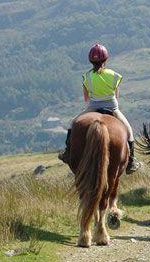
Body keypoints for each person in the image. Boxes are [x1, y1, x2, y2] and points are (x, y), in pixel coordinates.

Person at [59, 43, 141, 173]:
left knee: (72, 124)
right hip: (112, 107)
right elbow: (116, 95)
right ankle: (131, 161)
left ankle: (67, 153)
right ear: (106, 59)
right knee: (129, 131)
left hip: (92, 107)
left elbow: (86, 99)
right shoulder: (114, 75)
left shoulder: (86, 77)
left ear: (90, 60)